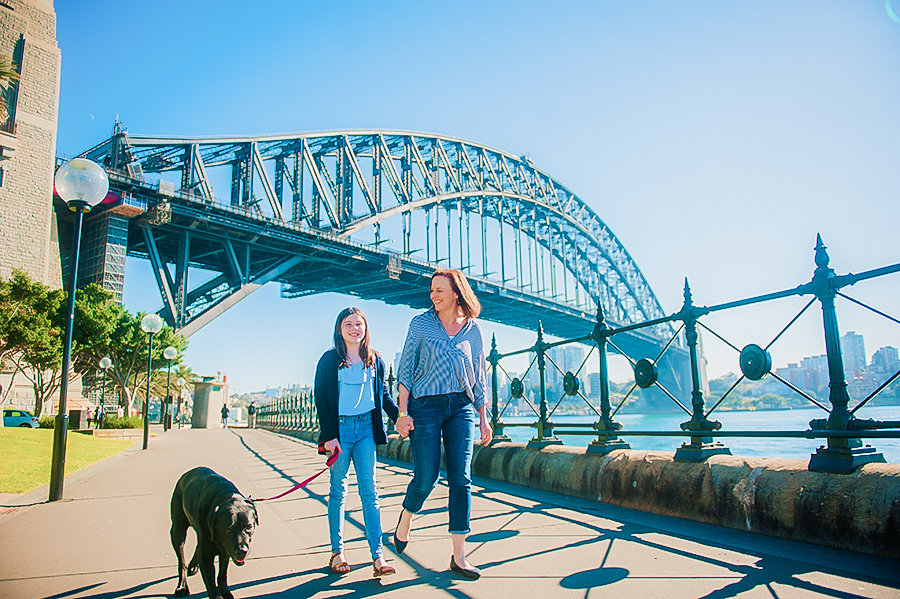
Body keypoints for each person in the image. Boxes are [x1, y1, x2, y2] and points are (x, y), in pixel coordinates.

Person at [393, 268, 493, 579]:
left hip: (460, 407)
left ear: (456, 293)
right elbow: (406, 370)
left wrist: (483, 417)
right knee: (426, 478)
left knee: (461, 479)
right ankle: (407, 516)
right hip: (425, 406)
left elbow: (479, 376)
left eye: (440, 290)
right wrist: (402, 412)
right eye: (432, 290)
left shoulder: (472, 330)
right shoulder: (421, 323)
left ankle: (459, 556)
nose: (434, 295)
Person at [314, 307, 399, 578]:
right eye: (348, 324)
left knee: (369, 492)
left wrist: (399, 416)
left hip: (365, 430)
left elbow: (382, 394)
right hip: (339, 431)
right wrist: (329, 437)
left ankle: (378, 556)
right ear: (340, 329)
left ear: (365, 328)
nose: (354, 328)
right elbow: (321, 400)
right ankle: (337, 553)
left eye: (359, 324)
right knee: (338, 492)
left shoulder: (376, 360)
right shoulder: (329, 360)